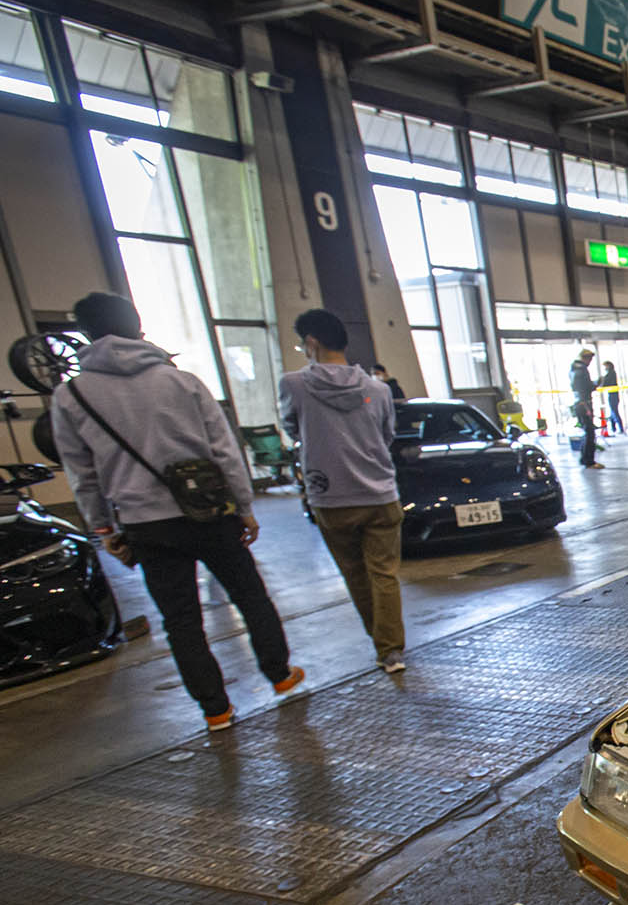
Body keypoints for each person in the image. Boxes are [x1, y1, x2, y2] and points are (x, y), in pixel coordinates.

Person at [49, 292, 301, 730]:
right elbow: (225, 451)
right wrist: (244, 507)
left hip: (144, 524)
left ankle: (215, 709)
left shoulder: (71, 396)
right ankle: (279, 674)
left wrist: (103, 528)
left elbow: (82, 473)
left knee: (181, 619)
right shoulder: (181, 382)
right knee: (250, 595)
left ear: (85, 334)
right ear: (136, 325)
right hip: (210, 512)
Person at [279, 308, 408, 674]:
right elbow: (387, 435)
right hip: (380, 492)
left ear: (312, 342)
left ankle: (381, 645)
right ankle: (392, 652)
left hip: (330, 495)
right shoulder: (378, 389)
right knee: (384, 574)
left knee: (355, 573)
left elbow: (292, 429)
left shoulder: (293, 385)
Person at [569, 348, 601, 468]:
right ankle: (589, 460)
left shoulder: (574, 369)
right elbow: (585, 387)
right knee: (590, 432)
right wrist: (596, 384)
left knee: (587, 432)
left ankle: (584, 459)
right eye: (589, 359)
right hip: (584, 403)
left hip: (579, 403)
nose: (590, 361)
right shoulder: (581, 371)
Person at [600, 360, 623, 435]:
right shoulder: (611, 373)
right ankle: (614, 428)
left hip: (613, 395)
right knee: (612, 411)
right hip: (612, 394)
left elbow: (605, 383)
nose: (605, 368)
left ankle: (620, 428)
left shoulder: (611, 373)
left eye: (605, 366)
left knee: (614, 411)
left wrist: (600, 381)